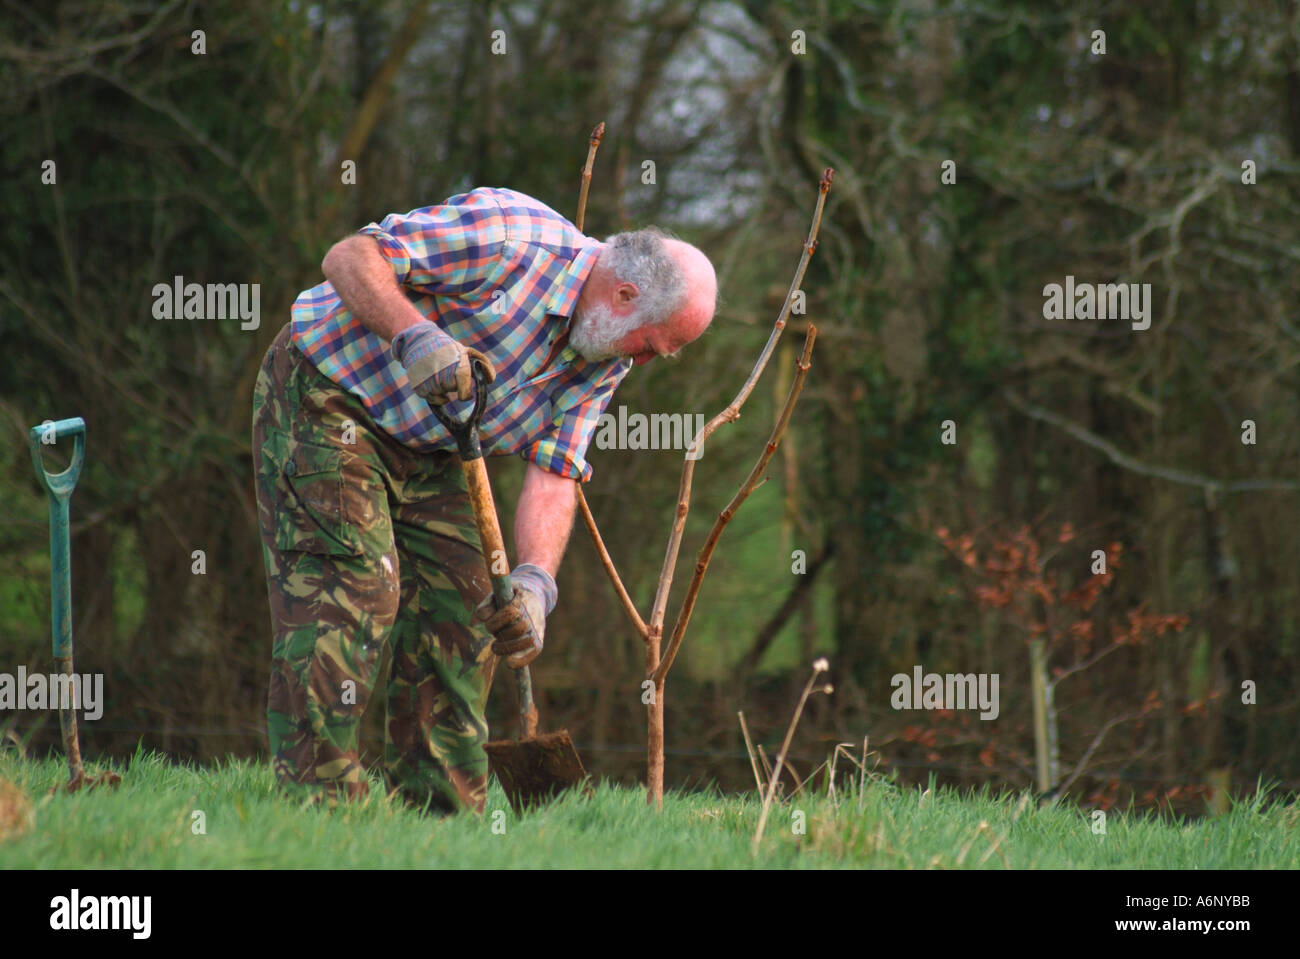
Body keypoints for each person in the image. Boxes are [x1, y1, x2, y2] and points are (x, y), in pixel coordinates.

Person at [250, 186, 717, 813]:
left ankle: (439, 811)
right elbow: (349, 257)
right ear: (624, 297)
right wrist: (415, 336)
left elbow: (555, 470)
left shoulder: (604, 357)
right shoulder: (509, 237)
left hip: (436, 445)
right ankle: (319, 805)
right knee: (358, 588)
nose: (648, 362)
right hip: (330, 397)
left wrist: (534, 584)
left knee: (474, 606)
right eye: (652, 345)